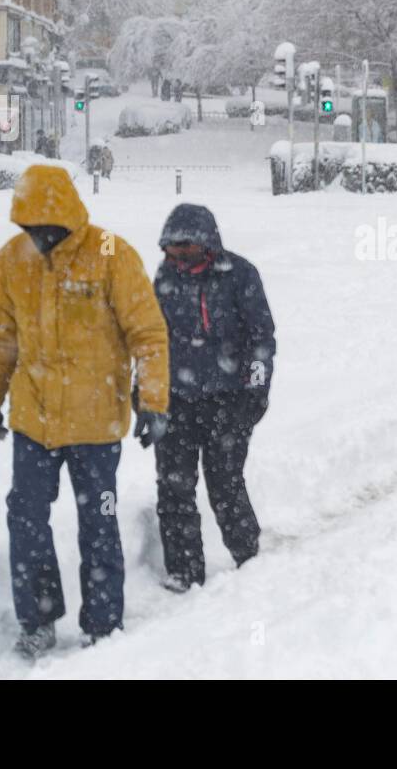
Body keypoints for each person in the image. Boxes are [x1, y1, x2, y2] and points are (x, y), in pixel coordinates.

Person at [0, 166, 170, 660]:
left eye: (46, 228)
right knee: (25, 516)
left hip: (95, 421)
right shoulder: (11, 259)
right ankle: (38, 619)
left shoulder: (110, 253)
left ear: (65, 217)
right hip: (33, 421)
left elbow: (146, 333)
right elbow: (2, 338)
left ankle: (104, 623)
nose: (38, 238)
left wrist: (153, 400)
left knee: (98, 520)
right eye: (29, 228)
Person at [150, 204, 275, 593]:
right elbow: (151, 340)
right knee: (174, 486)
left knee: (224, 482)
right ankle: (184, 570)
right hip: (176, 402)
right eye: (170, 249)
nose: (176, 256)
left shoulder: (240, 274)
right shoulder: (165, 279)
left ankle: (247, 554)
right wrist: (148, 397)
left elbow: (261, 337)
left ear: (205, 243)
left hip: (228, 401)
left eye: (184, 247)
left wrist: (256, 389)